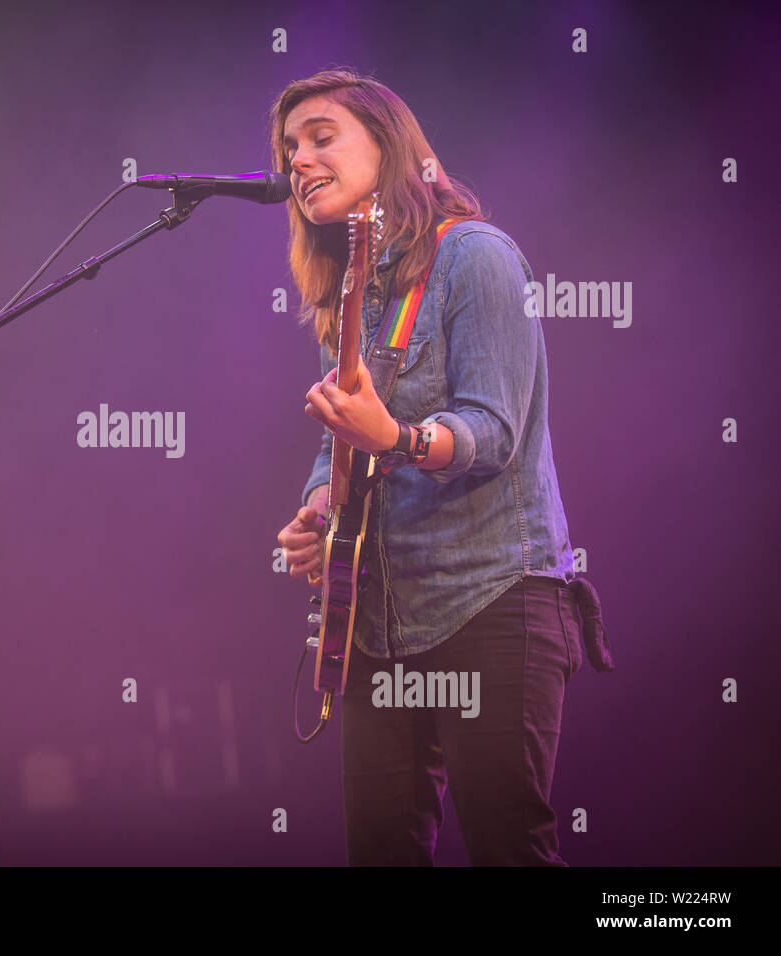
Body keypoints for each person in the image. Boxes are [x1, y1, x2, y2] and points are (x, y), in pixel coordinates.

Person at [272, 70, 608, 866]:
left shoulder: (478, 256)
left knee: (507, 848)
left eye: (321, 137)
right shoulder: (353, 292)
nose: (298, 160)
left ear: (386, 147)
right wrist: (319, 508)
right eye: (290, 148)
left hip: (493, 600)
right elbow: (338, 443)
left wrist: (393, 437)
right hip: (382, 620)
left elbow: (494, 431)